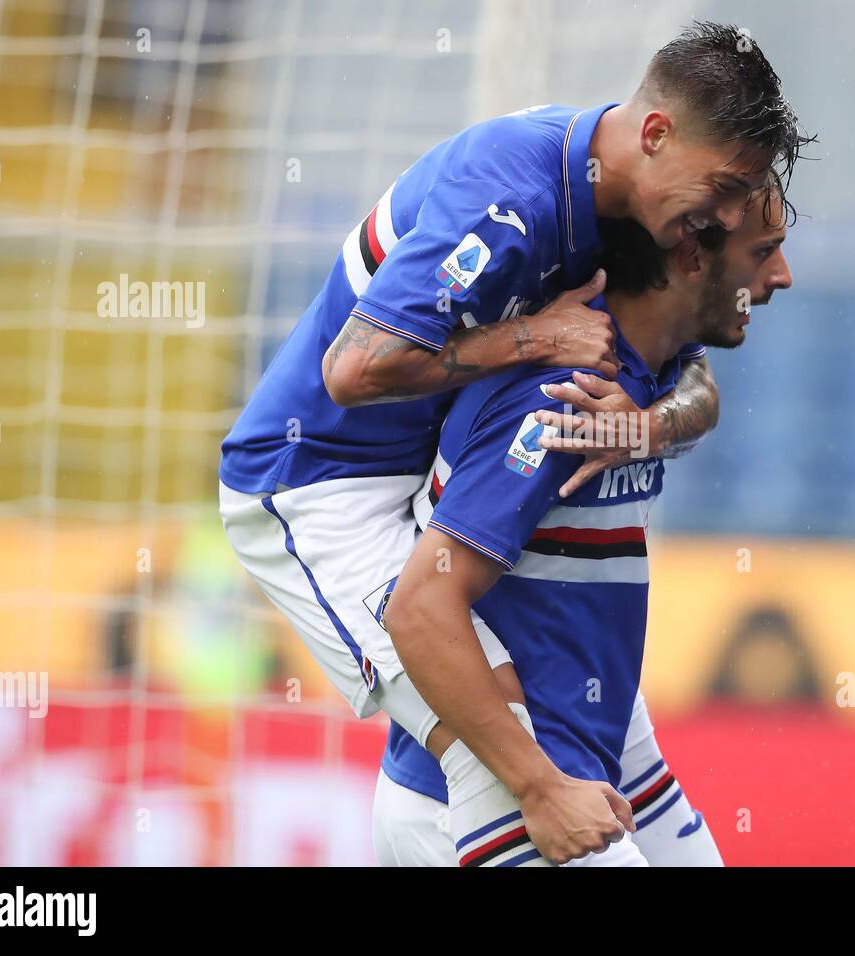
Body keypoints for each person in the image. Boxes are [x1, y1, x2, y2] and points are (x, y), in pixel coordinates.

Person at [218, 21, 807, 863]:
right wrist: (534, 338)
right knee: (492, 732)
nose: (725, 218)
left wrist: (643, 428)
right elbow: (352, 370)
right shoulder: (514, 198)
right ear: (655, 134)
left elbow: (695, 377)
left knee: (581, 722)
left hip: (419, 469)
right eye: (725, 188)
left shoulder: (633, 206)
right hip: (317, 484)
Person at [376, 180, 793, 865]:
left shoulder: (652, 368)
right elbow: (417, 606)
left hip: (594, 766)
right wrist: (537, 788)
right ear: (691, 256)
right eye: (764, 251)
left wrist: (651, 429)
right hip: (498, 802)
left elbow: (700, 397)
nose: (781, 276)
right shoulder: (563, 401)